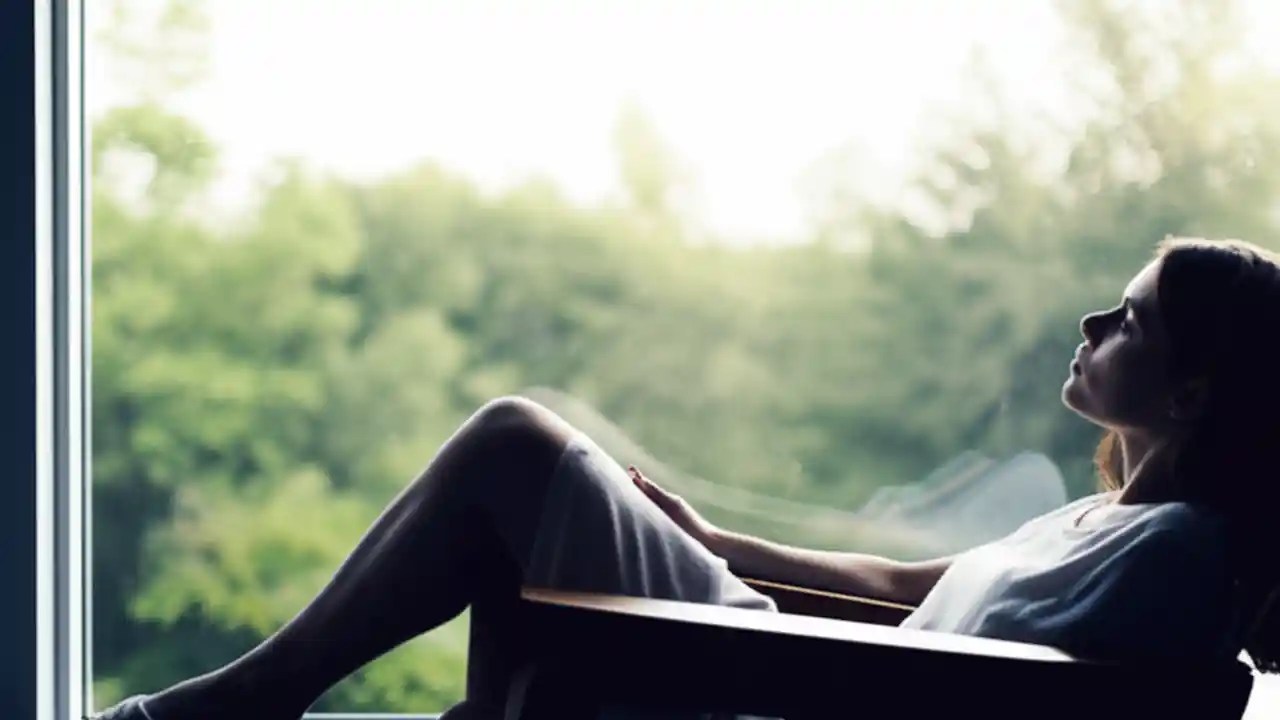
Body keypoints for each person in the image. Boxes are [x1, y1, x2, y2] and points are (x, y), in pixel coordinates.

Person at [96, 237, 1280, 720]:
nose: (1089, 325)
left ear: (1190, 393)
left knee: (516, 452)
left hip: (785, 692)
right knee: (517, 468)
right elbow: (900, 587)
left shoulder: (1174, 556)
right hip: (793, 668)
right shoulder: (1106, 519)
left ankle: (244, 705)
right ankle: (253, 702)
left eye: (1127, 321)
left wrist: (731, 608)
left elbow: (1008, 696)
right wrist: (711, 541)